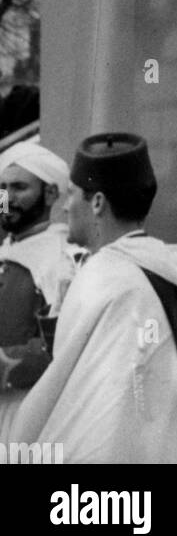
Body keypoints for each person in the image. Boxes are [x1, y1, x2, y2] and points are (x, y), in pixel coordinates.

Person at [14, 132, 177, 464]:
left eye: (72, 195)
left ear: (97, 202)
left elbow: (83, 402)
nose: (66, 207)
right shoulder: (176, 268)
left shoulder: (106, 277)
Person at [0, 143, 80, 441]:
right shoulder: (7, 249)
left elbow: (64, 346)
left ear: (50, 194)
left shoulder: (62, 259)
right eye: (2, 188)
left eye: (19, 188)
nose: (6, 198)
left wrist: (7, 364)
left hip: (28, 415)